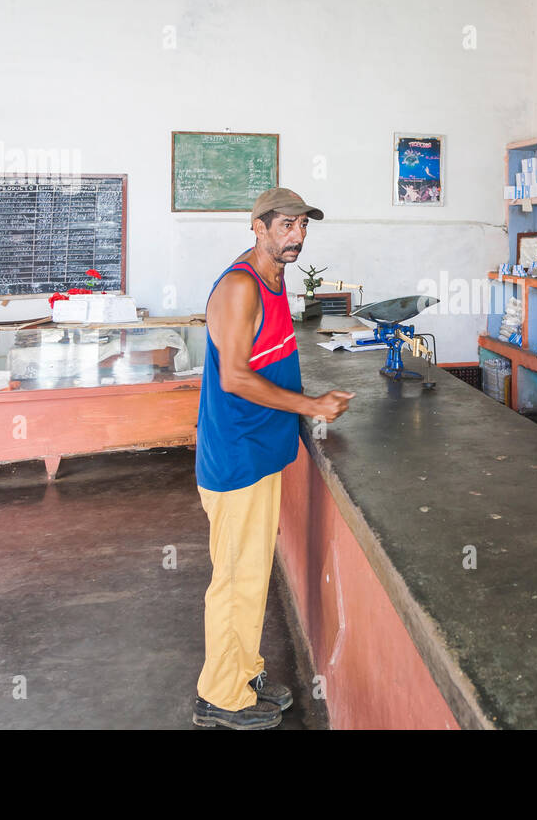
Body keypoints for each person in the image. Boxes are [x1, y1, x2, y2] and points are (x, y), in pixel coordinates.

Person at [192, 187, 355, 730]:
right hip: (237, 455)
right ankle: (219, 696)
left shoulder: (276, 279)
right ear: (257, 227)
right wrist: (310, 405)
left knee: (252, 574)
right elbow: (235, 377)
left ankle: (244, 670)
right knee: (236, 578)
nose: (297, 236)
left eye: (303, 226)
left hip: (261, 450)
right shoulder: (240, 287)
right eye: (286, 225)